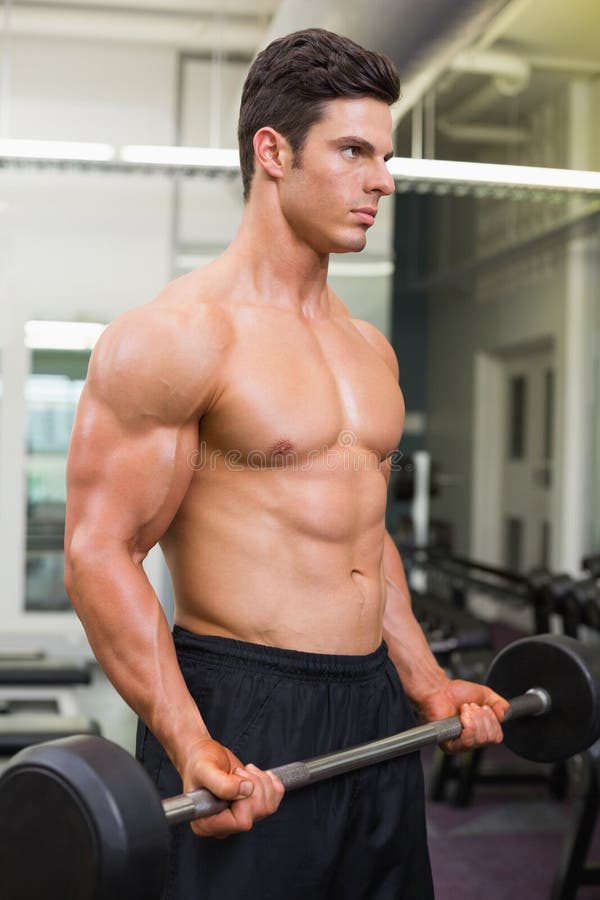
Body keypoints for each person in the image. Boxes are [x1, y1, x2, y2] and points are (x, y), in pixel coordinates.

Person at [65, 27, 508, 900]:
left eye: (384, 156)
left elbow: (362, 533)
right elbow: (98, 551)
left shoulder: (367, 348)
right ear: (272, 152)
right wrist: (187, 736)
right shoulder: (181, 335)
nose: (382, 179)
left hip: (369, 701)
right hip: (241, 704)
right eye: (353, 150)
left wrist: (423, 682)